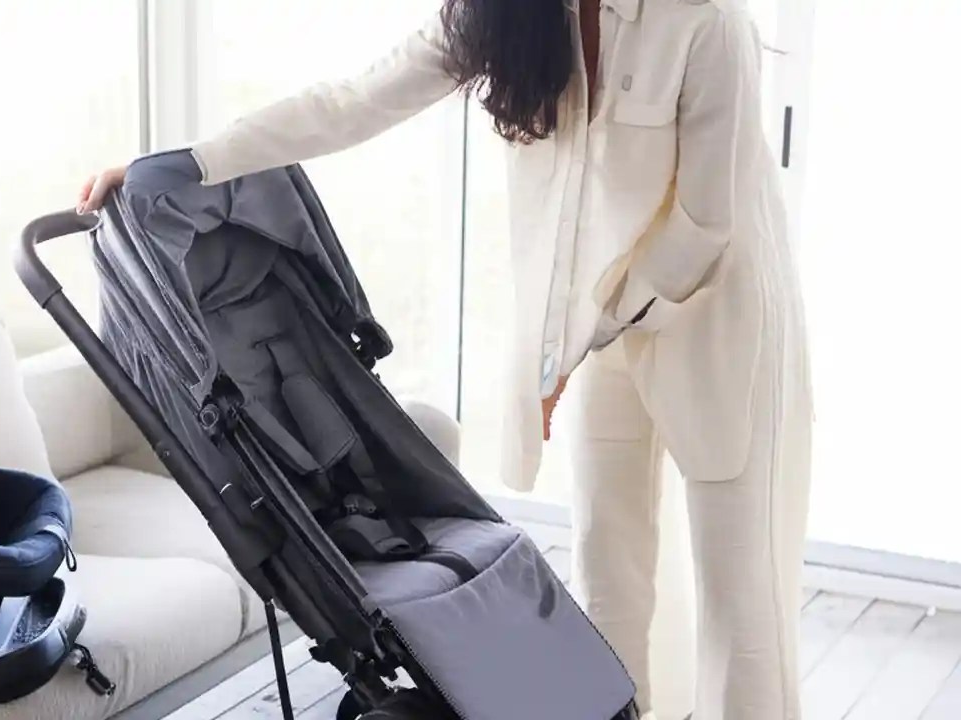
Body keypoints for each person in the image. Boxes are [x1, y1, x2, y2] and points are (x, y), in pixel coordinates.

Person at [77, 0, 812, 718]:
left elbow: (702, 228)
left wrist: (572, 344)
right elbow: (352, 102)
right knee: (607, 560)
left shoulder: (706, 25)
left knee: (738, 590)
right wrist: (183, 164)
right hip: (600, 325)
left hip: (717, 324)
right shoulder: (504, 15)